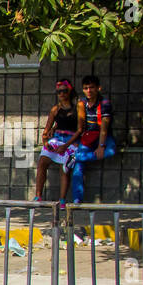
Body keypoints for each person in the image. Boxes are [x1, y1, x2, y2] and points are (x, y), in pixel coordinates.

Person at [64, 75, 116, 205]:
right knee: (78, 169)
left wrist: (101, 145)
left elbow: (104, 125)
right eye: (86, 88)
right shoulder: (82, 103)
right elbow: (80, 124)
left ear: (98, 88)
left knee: (111, 150)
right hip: (88, 137)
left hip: (103, 136)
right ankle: (77, 199)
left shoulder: (104, 103)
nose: (89, 91)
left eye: (91, 87)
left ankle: (78, 156)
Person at [34, 79, 80, 201]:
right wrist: (45, 143)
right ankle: (38, 195)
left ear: (70, 91)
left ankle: (62, 199)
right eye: (59, 92)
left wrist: (67, 145)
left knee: (64, 168)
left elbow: (80, 130)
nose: (61, 94)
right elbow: (45, 131)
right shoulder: (55, 109)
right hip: (56, 139)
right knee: (42, 161)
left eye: (64, 91)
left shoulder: (77, 109)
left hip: (71, 141)